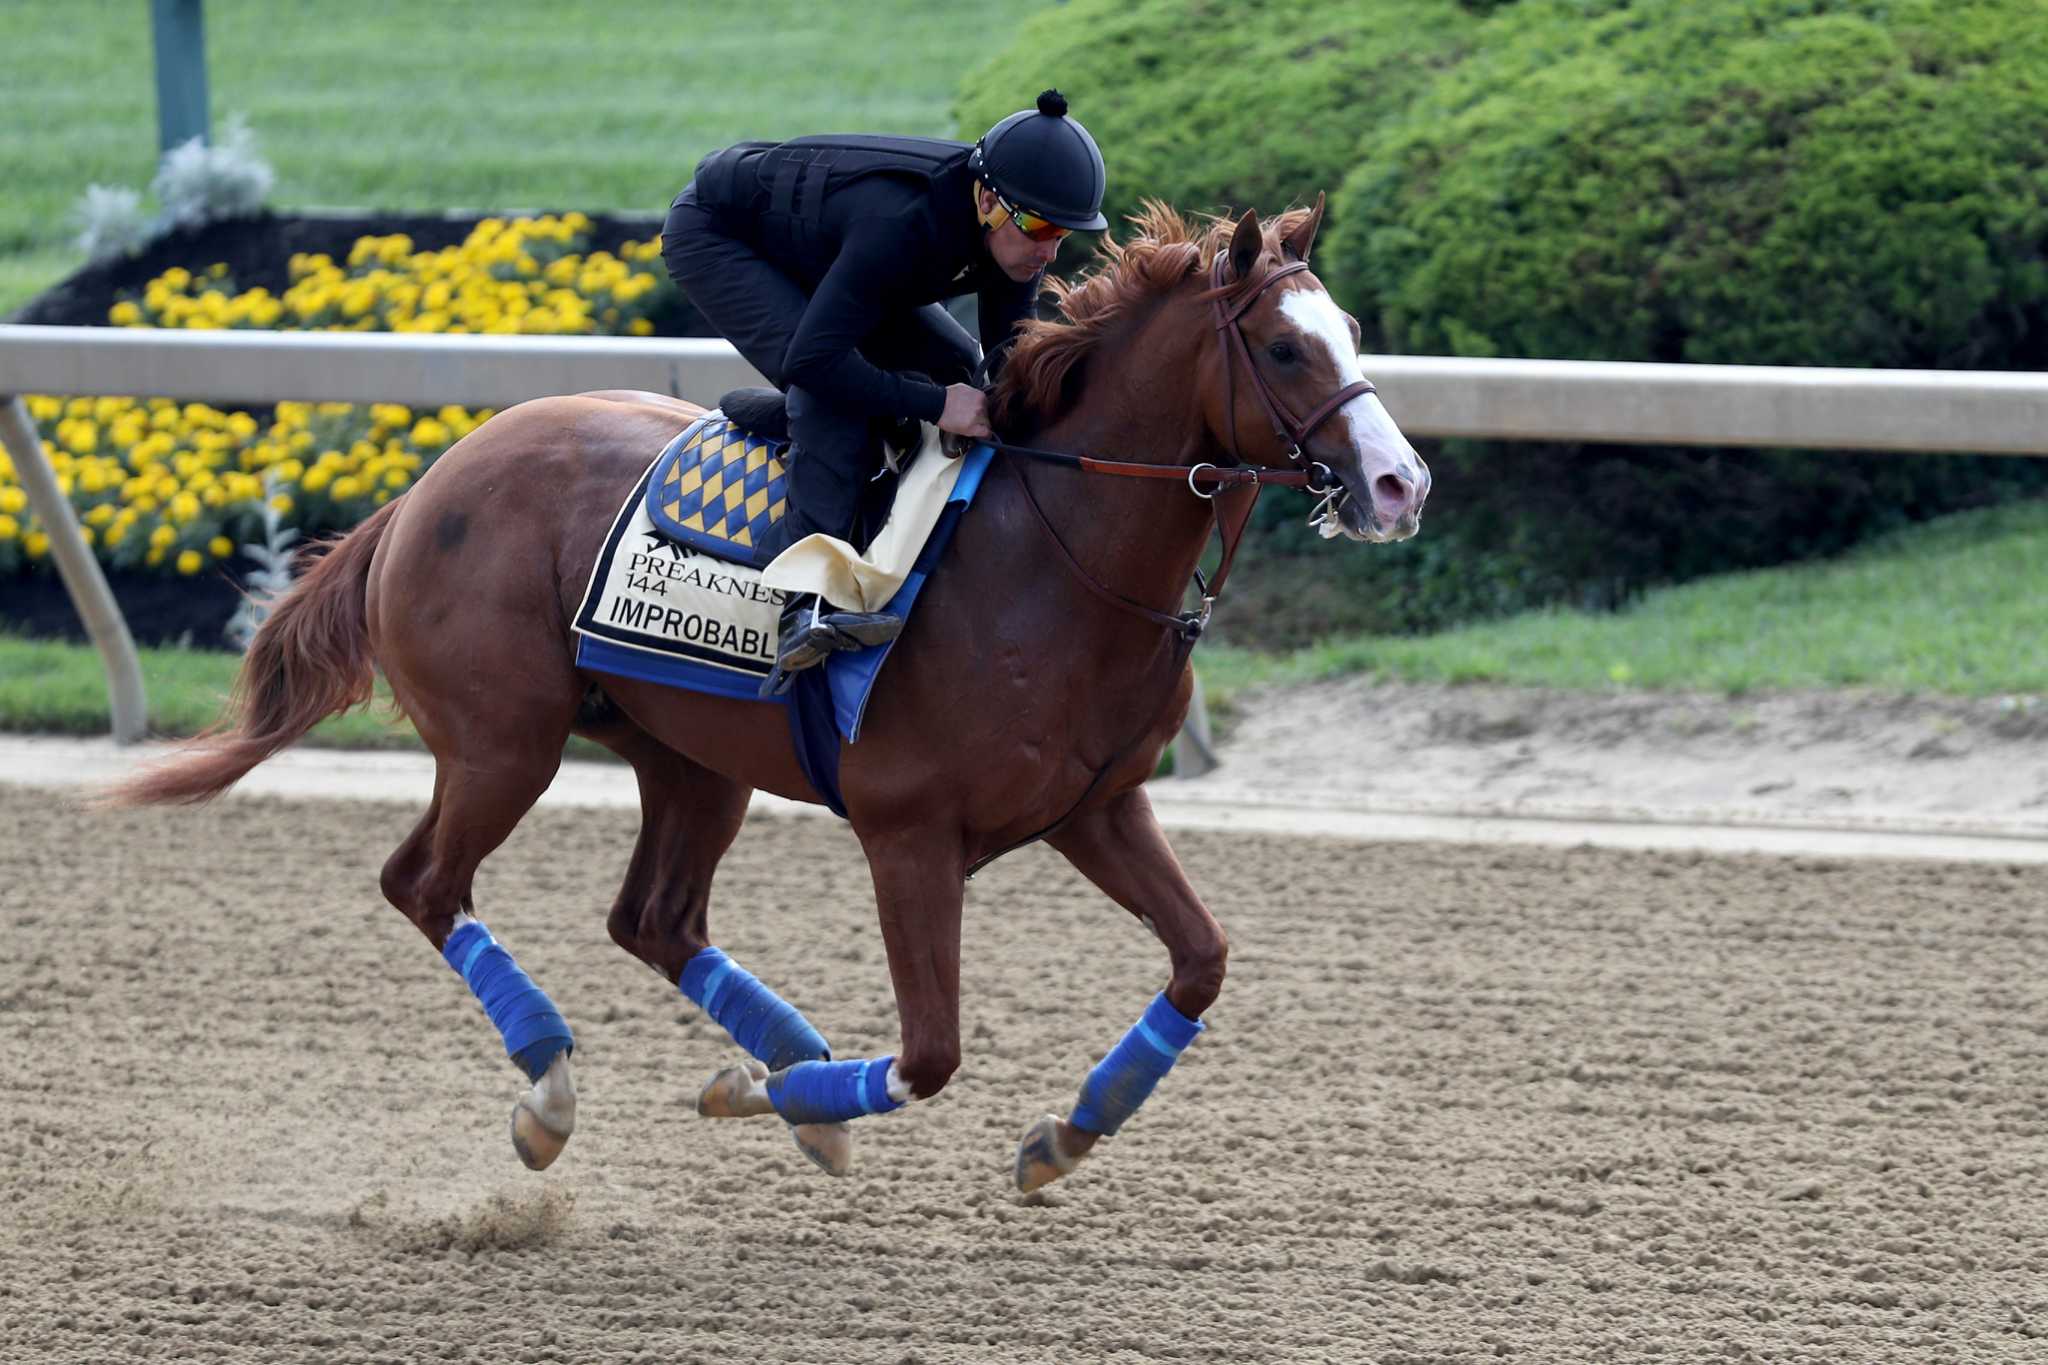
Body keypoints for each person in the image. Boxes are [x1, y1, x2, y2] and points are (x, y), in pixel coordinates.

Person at [661, 90, 1107, 693]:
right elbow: (816, 361)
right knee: (837, 402)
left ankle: (814, 441)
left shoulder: (1008, 236)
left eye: (1066, 234)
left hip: (829, 247)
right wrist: (935, 404)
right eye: (1041, 228)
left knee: (956, 362)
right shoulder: (902, 225)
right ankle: (806, 600)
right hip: (722, 236)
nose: (1050, 251)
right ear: (986, 201)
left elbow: (1002, 363)